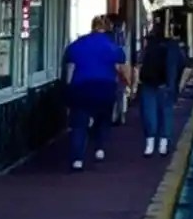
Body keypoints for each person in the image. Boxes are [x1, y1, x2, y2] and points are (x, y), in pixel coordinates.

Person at [63, 15, 130, 171]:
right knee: (104, 119)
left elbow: (69, 66)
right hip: (105, 87)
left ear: (92, 26)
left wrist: (67, 88)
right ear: (107, 28)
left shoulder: (78, 44)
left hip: (81, 87)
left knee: (79, 124)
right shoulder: (112, 46)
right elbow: (122, 66)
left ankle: (77, 160)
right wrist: (128, 84)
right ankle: (100, 149)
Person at [138, 26, 185, 156]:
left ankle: (149, 145)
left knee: (149, 113)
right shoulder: (172, 48)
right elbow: (181, 64)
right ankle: (163, 145)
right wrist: (174, 85)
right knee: (166, 113)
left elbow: (139, 64)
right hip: (165, 84)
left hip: (148, 83)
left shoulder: (147, 48)